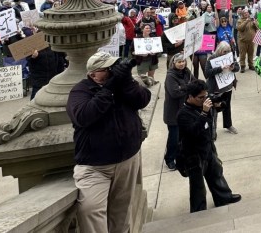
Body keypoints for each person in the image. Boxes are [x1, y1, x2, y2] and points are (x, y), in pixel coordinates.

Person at [66, 52, 151, 232]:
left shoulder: (123, 85)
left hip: (127, 160)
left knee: (121, 212)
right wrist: (109, 88)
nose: (113, 72)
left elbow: (143, 99)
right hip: (95, 166)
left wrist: (127, 81)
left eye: (114, 67)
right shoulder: (80, 91)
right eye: (108, 69)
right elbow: (84, 115)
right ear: (93, 74)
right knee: (90, 211)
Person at [176, 80, 241, 213]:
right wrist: (204, 113)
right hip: (193, 154)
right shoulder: (183, 114)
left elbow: (219, 109)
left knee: (216, 173)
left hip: (208, 148)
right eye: (201, 97)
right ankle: (199, 211)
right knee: (198, 185)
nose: (204, 99)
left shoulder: (203, 104)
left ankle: (224, 198)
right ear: (190, 97)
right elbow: (193, 132)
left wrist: (219, 104)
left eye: (206, 96)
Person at [163, 54, 193, 171]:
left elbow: (194, 83)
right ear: (173, 63)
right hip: (173, 113)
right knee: (174, 138)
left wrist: (183, 87)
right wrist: (187, 87)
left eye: (183, 61)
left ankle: (180, 156)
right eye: (179, 62)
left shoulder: (187, 72)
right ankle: (169, 159)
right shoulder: (170, 76)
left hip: (185, 110)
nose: (182, 64)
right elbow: (174, 93)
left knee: (183, 137)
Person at [204, 43, 238, 133]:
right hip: (215, 89)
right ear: (219, 50)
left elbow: (237, 67)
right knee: (213, 110)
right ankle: (212, 129)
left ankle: (228, 125)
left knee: (227, 107)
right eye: (224, 51)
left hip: (227, 87)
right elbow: (207, 73)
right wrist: (220, 68)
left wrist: (233, 68)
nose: (226, 53)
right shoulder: (212, 58)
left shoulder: (230, 57)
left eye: (228, 51)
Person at [236, 9, 258, 73]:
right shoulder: (239, 21)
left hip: (251, 41)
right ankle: (242, 66)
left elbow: (258, 27)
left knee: (251, 54)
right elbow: (240, 28)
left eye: (247, 13)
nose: (246, 14)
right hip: (243, 41)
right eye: (245, 13)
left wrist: (255, 23)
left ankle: (251, 65)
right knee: (242, 54)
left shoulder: (251, 20)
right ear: (242, 14)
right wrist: (246, 21)